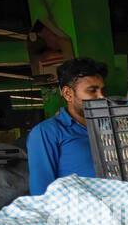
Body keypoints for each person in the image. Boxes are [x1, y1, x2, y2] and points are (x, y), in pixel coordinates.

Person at [27, 57, 107, 196]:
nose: (101, 97)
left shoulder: (108, 126)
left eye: (101, 90)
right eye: (92, 90)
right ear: (68, 94)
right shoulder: (46, 133)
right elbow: (41, 193)